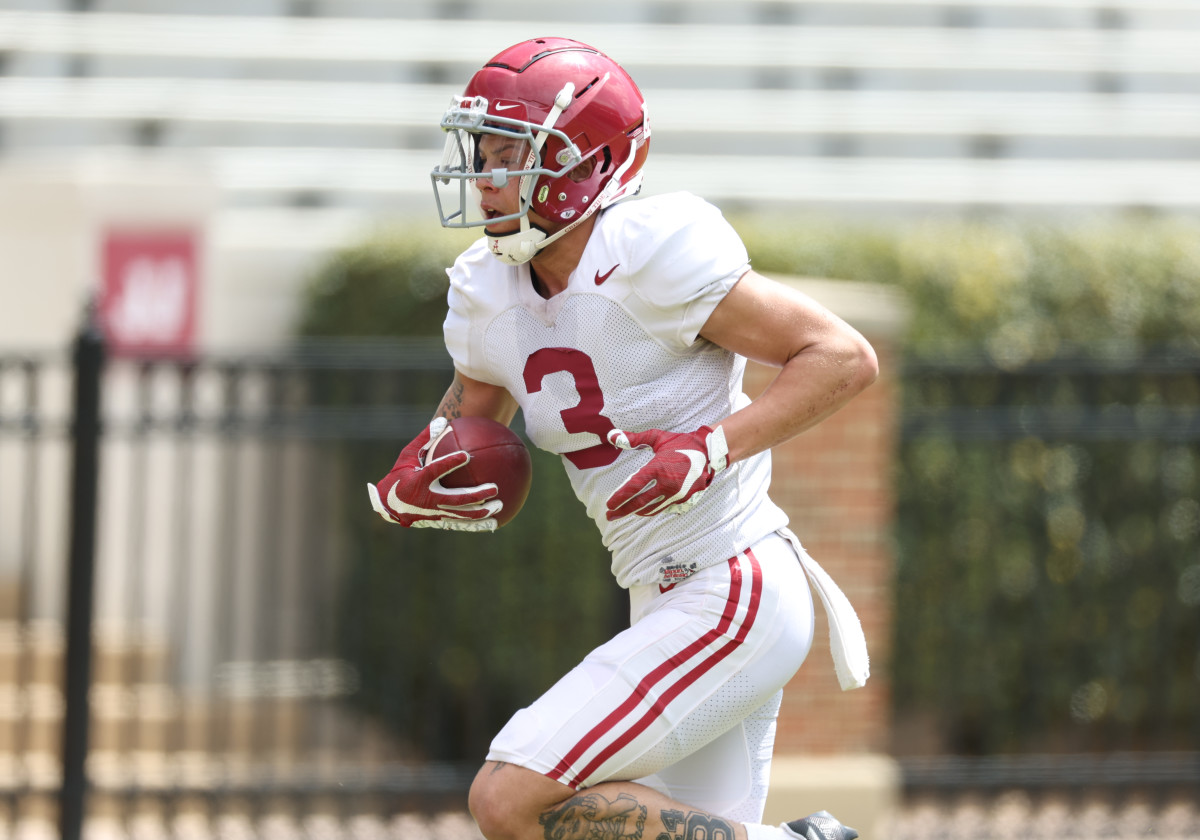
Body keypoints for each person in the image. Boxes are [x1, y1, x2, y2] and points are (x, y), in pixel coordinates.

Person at [368, 38, 878, 840]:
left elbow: (841, 356)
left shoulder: (648, 252)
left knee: (507, 796)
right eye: (483, 156)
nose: (486, 179)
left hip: (732, 584)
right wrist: (423, 470)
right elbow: (470, 426)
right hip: (662, 593)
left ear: (588, 163)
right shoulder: (488, 288)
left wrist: (711, 447)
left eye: (511, 156)